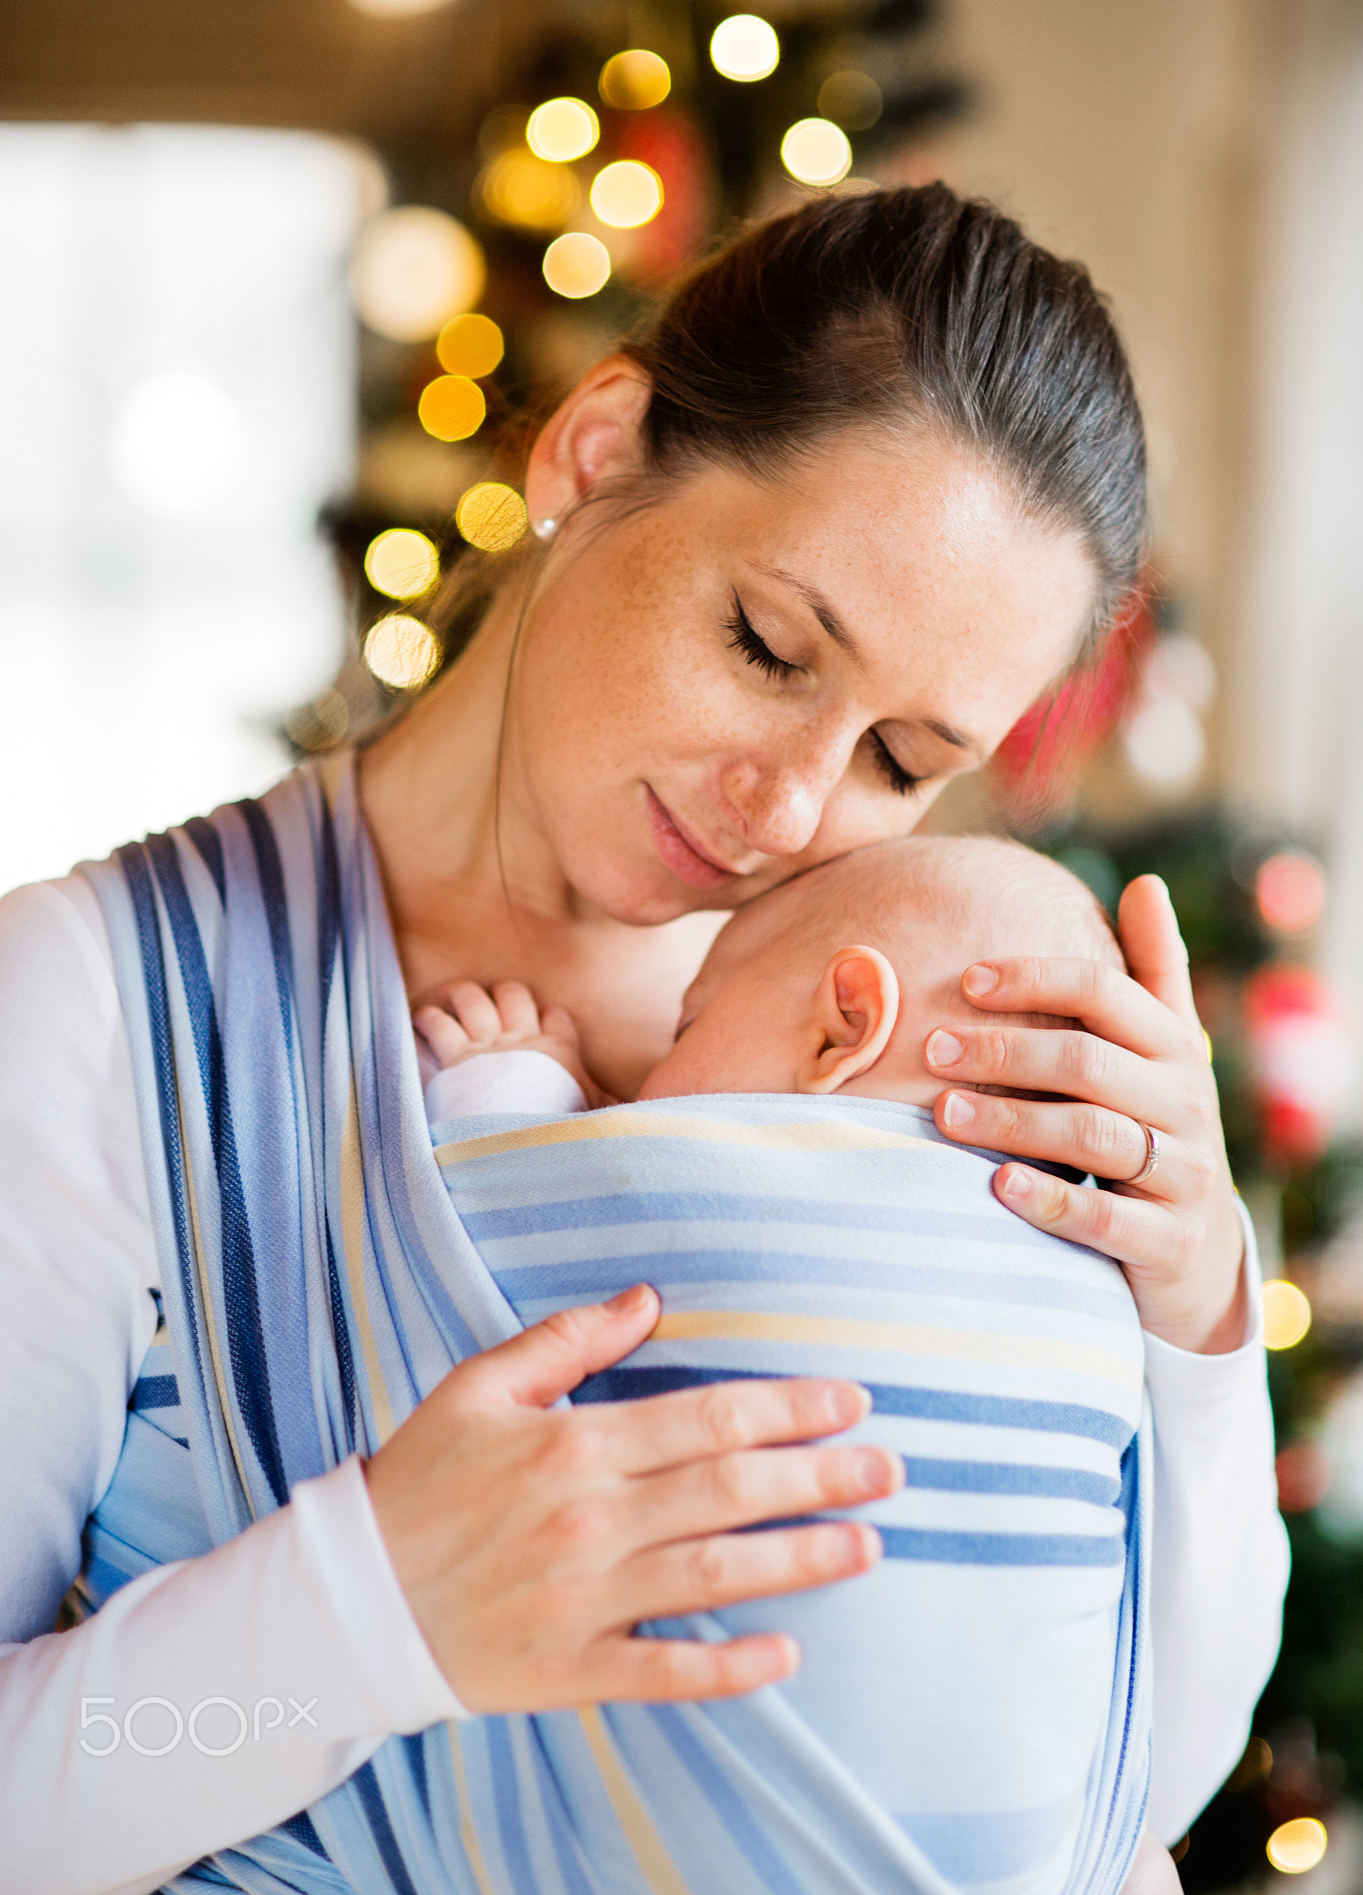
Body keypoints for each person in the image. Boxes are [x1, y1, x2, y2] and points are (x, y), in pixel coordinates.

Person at [0, 186, 1285, 1895]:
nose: (789, 803)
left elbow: (1125, 1777)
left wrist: (1196, 1329)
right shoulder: (93, 1012)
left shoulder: (953, 1041)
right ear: (594, 450)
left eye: (903, 757)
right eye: (764, 644)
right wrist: (362, 1609)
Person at [410, 833, 1161, 1895]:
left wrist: (512, 1084)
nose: (641, 1085)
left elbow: (457, 1236)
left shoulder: (722, 1169)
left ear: (841, 1029)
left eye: (690, 1021)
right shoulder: (1095, 1281)